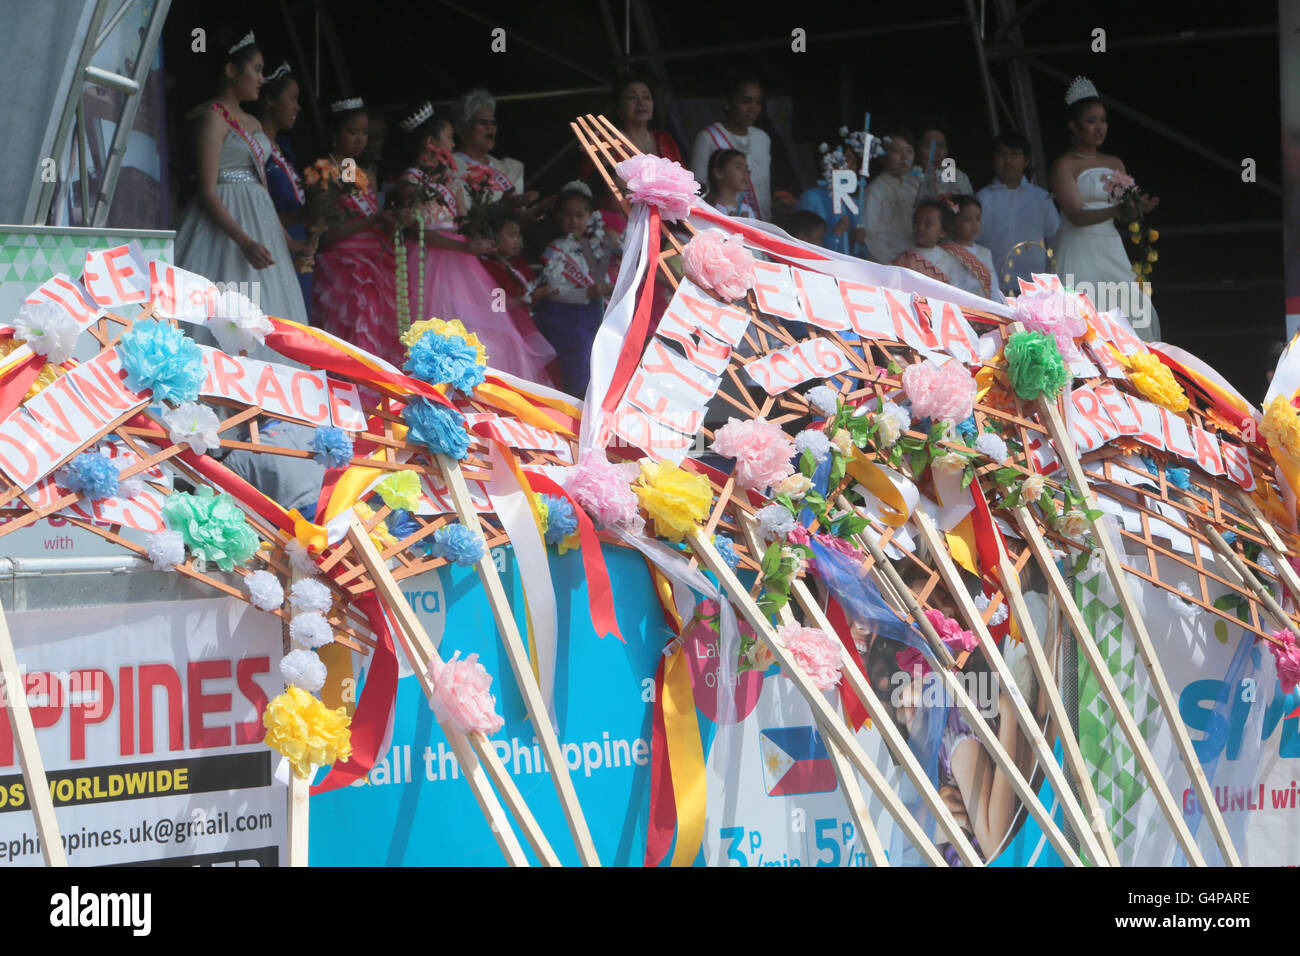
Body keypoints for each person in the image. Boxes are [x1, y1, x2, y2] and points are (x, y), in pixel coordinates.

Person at [173, 29, 308, 327]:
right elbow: (207, 190)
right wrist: (244, 241)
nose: (262, 78)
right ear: (232, 70)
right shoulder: (212, 117)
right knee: (226, 299)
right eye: (257, 70)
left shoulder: (254, 122)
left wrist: (287, 241)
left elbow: (262, 186)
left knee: (267, 303)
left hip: (260, 221)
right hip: (224, 224)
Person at [1050, 76, 1160, 340]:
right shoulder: (1064, 165)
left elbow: (1125, 212)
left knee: (1132, 306)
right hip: (1078, 244)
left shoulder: (1114, 163)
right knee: (1080, 308)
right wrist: (1117, 212)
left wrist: (1137, 208)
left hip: (1108, 243)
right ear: (1074, 126)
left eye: (1102, 120)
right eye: (1091, 121)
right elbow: (1076, 214)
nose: (1099, 127)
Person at [310, 97, 405, 369]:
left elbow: (376, 223)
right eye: (352, 132)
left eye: (365, 133)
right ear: (334, 133)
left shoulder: (367, 175)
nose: (360, 139)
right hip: (343, 268)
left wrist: (394, 221)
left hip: (376, 264)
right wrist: (373, 219)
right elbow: (325, 235)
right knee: (349, 337)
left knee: (377, 335)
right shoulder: (321, 172)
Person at [532, 183, 615, 397]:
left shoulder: (595, 247)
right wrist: (586, 293)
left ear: (589, 217)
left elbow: (602, 278)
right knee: (574, 365)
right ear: (558, 217)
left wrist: (606, 289)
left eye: (580, 215)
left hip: (593, 316)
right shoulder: (555, 249)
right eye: (568, 215)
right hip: (563, 318)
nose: (574, 221)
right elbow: (554, 287)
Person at [252, 60, 313, 319]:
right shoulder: (255, 146)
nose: (298, 106)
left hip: (298, 241)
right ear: (270, 100)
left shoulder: (284, 149)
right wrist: (305, 214)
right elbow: (258, 206)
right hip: (271, 244)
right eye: (292, 98)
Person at [478, 208, 561, 388]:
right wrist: (528, 299)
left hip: (523, 327)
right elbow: (497, 305)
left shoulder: (515, 263)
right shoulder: (490, 267)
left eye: (517, 236)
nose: (517, 241)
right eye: (511, 236)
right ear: (493, 237)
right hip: (507, 333)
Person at [975, 131, 1061, 296]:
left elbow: (1055, 240)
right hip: (992, 286)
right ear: (993, 161)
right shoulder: (981, 198)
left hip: (1036, 286)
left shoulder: (1041, 198)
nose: (1008, 161)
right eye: (1002, 155)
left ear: (1026, 161)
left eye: (1015, 155)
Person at [689, 75, 771, 219]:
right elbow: (698, 189)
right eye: (746, 102)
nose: (753, 109)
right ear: (727, 101)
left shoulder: (762, 138)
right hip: (726, 222)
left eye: (758, 102)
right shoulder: (708, 137)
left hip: (762, 222)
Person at [892, 199, 987, 298]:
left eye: (928, 224)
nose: (920, 227)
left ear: (942, 232)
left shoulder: (950, 261)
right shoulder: (903, 257)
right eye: (917, 222)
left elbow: (956, 294)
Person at [795, 131, 868, 256]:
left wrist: (861, 243)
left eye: (855, 162)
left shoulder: (854, 203)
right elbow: (799, 243)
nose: (852, 167)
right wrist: (835, 234)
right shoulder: (811, 198)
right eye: (847, 160)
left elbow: (859, 254)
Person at [863, 130, 920, 264]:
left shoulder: (915, 187)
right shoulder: (875, 190)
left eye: (909, 151)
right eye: (896, 151)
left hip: (915, 260)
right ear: (884, 156)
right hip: (887, 260)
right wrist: (892, 263)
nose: (904, 157)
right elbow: (868, 234)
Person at [942, 195, 1001, 302]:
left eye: (978, 219)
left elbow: (993, 286)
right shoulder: (945, 252)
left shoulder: (985, 253)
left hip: (984, 311)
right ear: (953, 222)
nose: (974, 224)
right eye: (968, 219)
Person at [917, 124, 974, 198]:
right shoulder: (906, 177)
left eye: (940, 146)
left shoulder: (959, 178)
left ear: (947, 150)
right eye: (928, 146)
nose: (934, 152)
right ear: (918, 148)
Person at [703, 148, 757, 219]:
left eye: (746, 168)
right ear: (718, 173)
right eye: (738, 167)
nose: (746, 172)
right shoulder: (708, 209)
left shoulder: (747, 210)